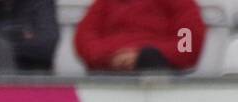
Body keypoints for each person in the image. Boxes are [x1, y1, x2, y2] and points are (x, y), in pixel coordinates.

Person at [74, 0, 205, 72]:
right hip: (109, 71)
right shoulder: (105, 3)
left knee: (149, 58)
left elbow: (188, 43)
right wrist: (111, 56)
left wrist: (141, 54)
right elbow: (85, 38)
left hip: (158, 74)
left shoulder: (180, 3)